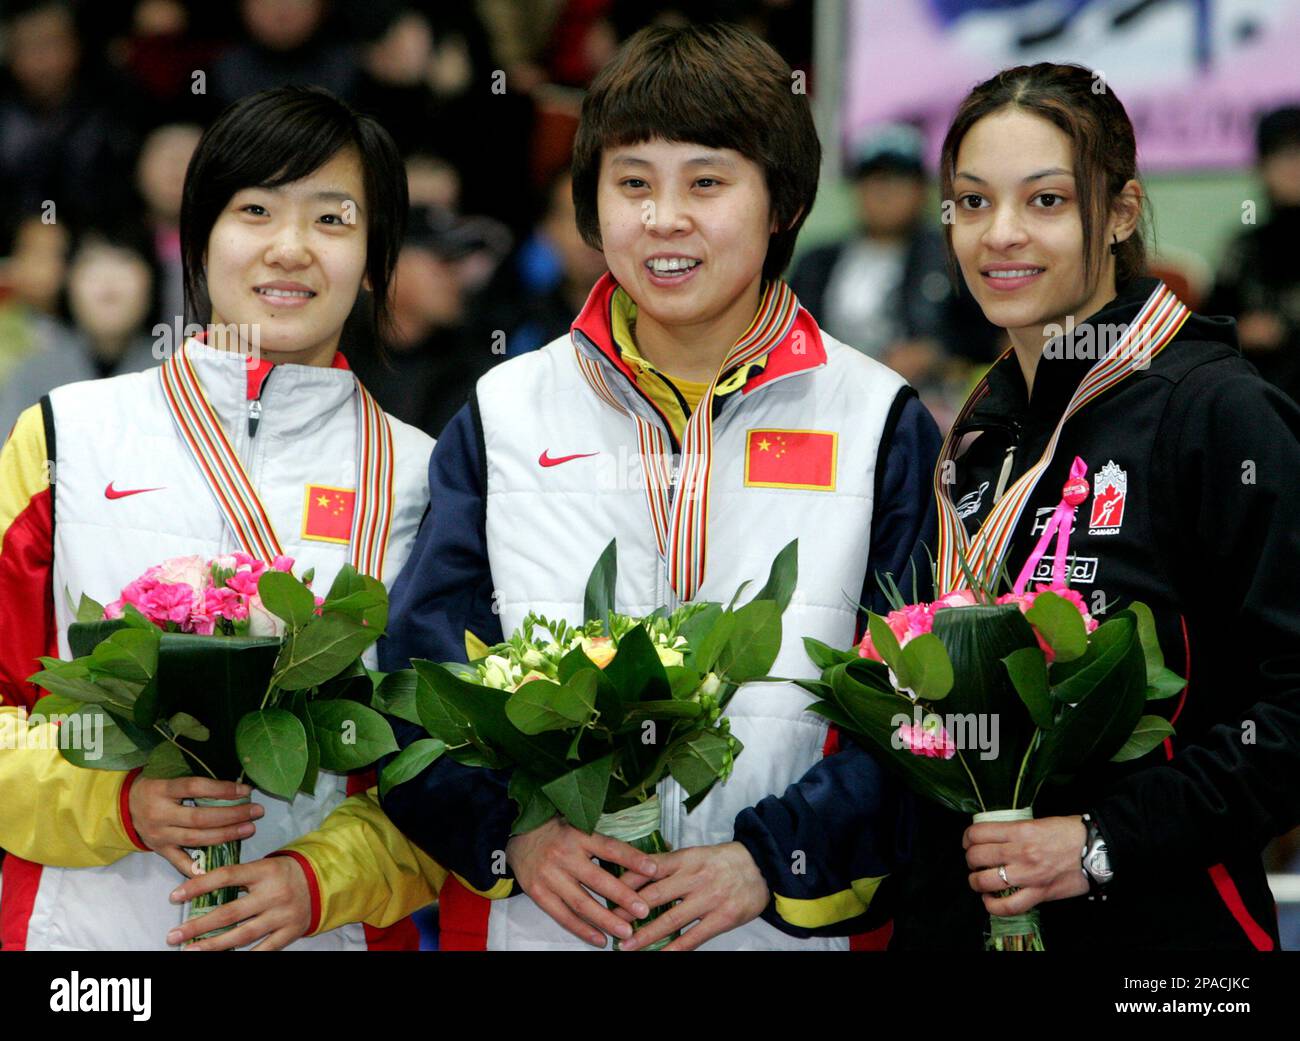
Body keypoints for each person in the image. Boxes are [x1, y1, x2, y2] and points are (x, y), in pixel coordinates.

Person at [377, 22, 938, 952]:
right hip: (537, 925)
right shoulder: (504, 410)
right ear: (591, 205)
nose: (664, 218)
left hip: (784, 929)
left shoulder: (877, 421)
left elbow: (921, 709)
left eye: (706, 182)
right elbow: (416, 677)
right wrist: (515, 830)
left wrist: (770, 857)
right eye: (632, 183)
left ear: (783, 203)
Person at [731, 62, 1300, 952]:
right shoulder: (975, 433)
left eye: (1045, 201)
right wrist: (761, 857)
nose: (1000, 235)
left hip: (1162, 941)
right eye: (971, 201)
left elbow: (1293, 703)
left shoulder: (1219, 414)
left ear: (1118, 212)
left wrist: (1102, 842)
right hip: (957, 919)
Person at [0, 86, 446, 951]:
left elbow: (452, 769)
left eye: (332, 219)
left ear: (374, 253)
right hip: (84, 952)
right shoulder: (64, 436)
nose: (289, 248)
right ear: (200, 235)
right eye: (255, 210)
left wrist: (320, 881)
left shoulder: (424, 478)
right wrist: (118, 802)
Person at [0, 227, 160, 437]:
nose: (108, 283)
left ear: (153, 280)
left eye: (125, 261)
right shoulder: (32, 374)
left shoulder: (177, 375)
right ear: (67, 282)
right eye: (91, 264)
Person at [1204, 105, 1300, 403]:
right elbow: (1209, 330)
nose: (1294, 167)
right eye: (1283, 155)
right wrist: (1242, 332)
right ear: (1261, 167)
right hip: (1258, 400)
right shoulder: (1245, 248)